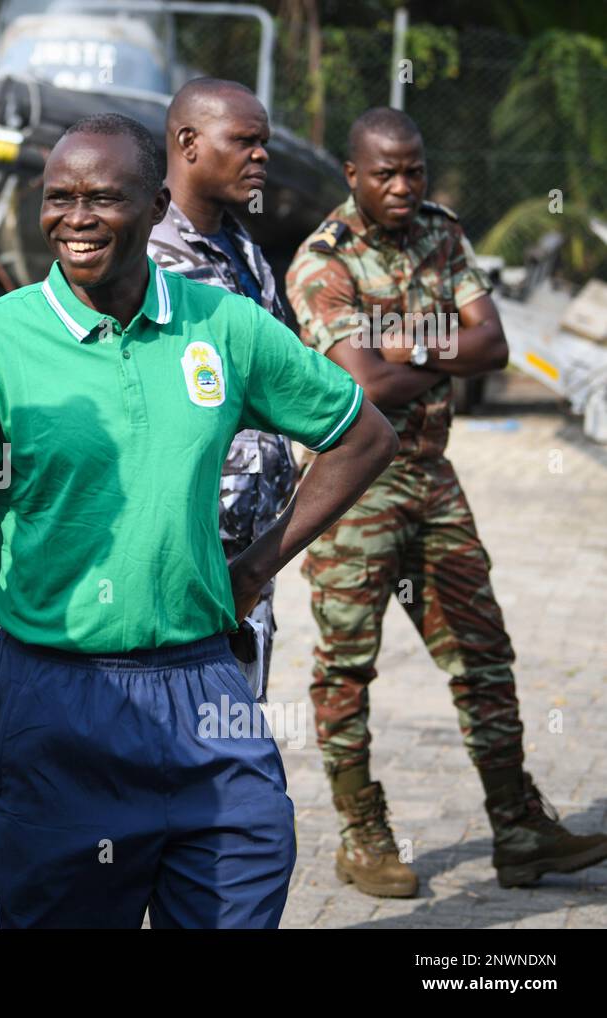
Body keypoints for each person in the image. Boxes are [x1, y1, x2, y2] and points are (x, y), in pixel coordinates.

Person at [0, 113, 398, 928]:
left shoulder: (223, 325)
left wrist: (253, 568)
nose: (76, 217)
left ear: (158, 203)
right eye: (59, 198)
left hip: (206, 686)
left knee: (245, 878)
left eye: (102, 197)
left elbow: (364, 435)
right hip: (58, 700)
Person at [286, 106, 607, 898]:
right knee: (348, 665)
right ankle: (363, 836)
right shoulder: (321, 263)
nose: (402, 187)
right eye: (385, 174)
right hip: (351, 484)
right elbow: (364, 385)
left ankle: (520, 827)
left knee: (483, 651)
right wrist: (438, 349)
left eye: (414, 171)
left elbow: (493, 346)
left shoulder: (442, 232)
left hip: (432, 472)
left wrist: (402, 347)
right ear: (352, 175)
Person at [149, 77, 295, 698]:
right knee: (172, 727)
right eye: (243, 141)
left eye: (263, 143)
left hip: (250, 547)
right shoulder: (145, 255)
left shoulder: (245, 251)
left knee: (236, 717)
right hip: (182, 547)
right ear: (188, 142)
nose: (260, 155)